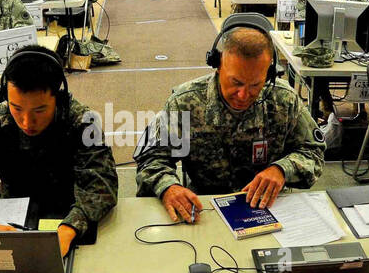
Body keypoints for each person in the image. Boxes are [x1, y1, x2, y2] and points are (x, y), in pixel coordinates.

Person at [135, 16, 324, 216]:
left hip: (269, 207)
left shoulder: (284, 101)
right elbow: (151, 159)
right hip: (205, 209)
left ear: (269, 74)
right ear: (217, 66)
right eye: (235, 82)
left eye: (255, 85)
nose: (243, 95)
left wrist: (282, 170)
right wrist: (168, 187)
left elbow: (314, 152)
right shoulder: (184, 103)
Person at [0, 46, 117, 257]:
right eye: (16, 108)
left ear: (58, 97)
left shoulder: (82, 122)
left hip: (71, 212)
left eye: (40, 110)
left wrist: (69, 228)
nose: (27, 122)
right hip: (14, 219)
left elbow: (101, 186)